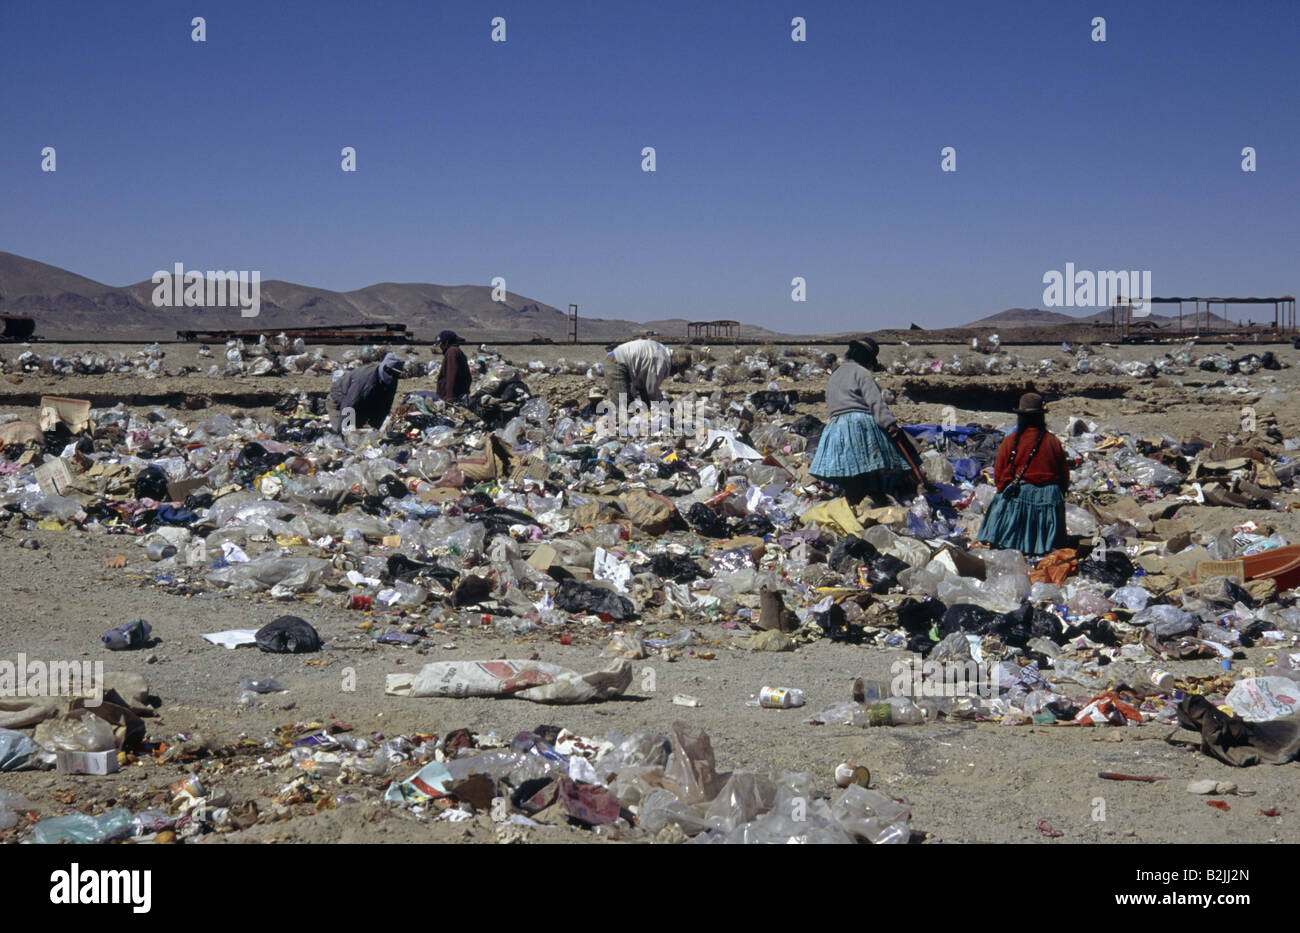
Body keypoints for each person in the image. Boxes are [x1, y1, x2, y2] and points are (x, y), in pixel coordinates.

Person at [809, 337, 912, 506]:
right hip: (858, 424)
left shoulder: (835, 375)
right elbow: (875, 402)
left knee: (851, 469)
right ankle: (873, 500)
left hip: (836, 426)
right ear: (868, 359)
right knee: (871, 466)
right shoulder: (862, 373)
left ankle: (854, 501)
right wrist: (889, 423)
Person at [976, 393, 1069, 555]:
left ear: (1020, 417)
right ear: (1041, 417)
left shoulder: (1010, 441)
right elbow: (1063, 476)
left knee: (1000, 501)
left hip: (1019, 495)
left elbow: (999, 477)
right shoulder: (1053, 441)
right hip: (1049, 498)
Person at [328, 352, 404, 432]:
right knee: (341, 434)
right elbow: (349, 405)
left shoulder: (392, 381)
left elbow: (385, 406)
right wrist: (344, 433)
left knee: (359, 433)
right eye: (389, 372)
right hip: (339, 401)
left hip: (362, 404)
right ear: (383, 367)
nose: (391, 376)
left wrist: (375, 428)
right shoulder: (365, 379)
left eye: (396, 374)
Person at [605, 339, 691, 406]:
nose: (673, 374)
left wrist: (648, 405)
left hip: (617, 359)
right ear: (676, 365)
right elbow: (651, 390)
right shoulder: (661, 360)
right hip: (616, 361)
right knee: (623, 402)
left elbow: (644, 386)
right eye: (677, 370)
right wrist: (662, 403)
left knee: (627, 400)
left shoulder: (662, 352)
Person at [435, 330, 472, 401]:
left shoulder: (452, 352)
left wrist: (450, 397)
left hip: (452, 397)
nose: (440, 347)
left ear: (446, 343)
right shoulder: (454, 351)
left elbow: (452, 375)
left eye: (441, 344)